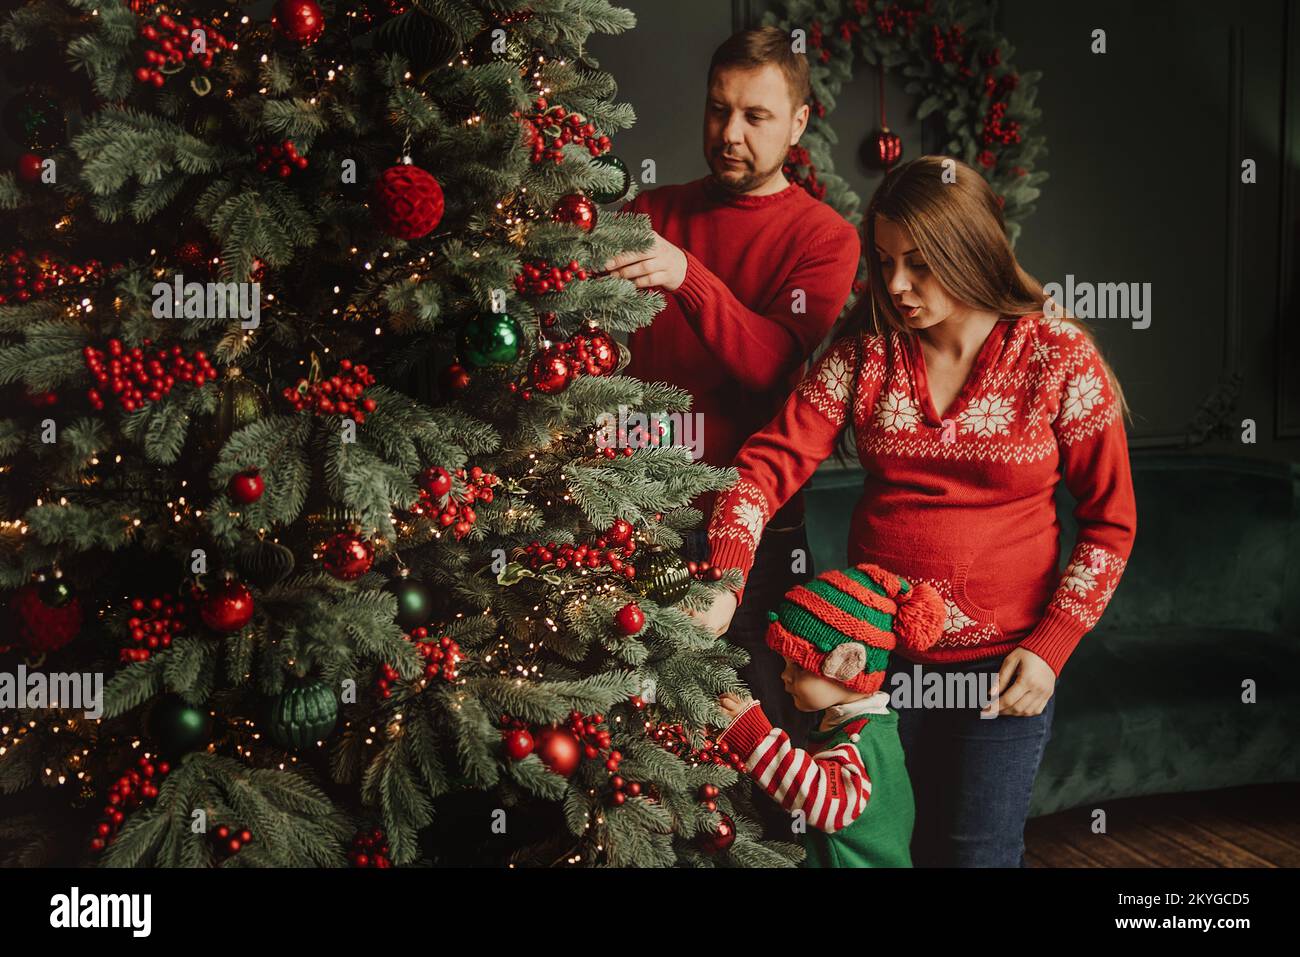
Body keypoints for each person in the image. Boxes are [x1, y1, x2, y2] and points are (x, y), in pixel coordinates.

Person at [699, 155, 1138, 866]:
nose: (896, 285)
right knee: (877, 847)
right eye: (885, 260)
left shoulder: (1057, 356)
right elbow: (763, 467)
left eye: (920, 264)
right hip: (873, 665)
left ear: (971, 252)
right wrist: (724, 578)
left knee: (975, 855)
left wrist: (1051, 646)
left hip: (1003, 669)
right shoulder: (865, 355)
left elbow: (1111, 524)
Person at [603, 26, 860, 751]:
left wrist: (687, 276)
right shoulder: (653, 212)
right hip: (637, 517)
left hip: (752, 531)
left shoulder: (825, 237)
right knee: (642, 748)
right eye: (719, 110)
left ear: (799, 123)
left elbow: (773, 365)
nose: (730, 133)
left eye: (756, 116)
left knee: (763, 738)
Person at [716, 562, 945, 867]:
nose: (784, 677)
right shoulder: (871, 722)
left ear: (846, 665)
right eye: (785, 664)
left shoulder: (858, 742)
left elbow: (823, 802)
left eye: (798, 666)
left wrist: (753, 736)